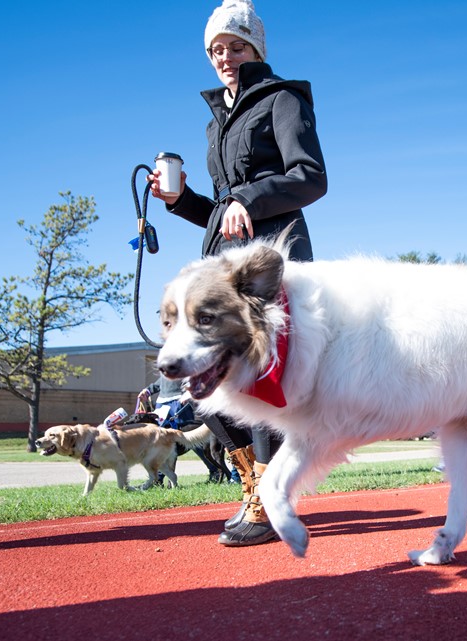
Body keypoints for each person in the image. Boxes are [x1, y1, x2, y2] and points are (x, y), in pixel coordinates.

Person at [147, 0, 327, 545]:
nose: (225, 57)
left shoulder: (283, 98)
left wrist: (249, 193)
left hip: (275, 257)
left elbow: (311, 177)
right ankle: (256, 485)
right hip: (223, 261)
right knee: (211, 377)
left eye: (236, 46)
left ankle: (273, 497)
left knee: (269, 376)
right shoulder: (215, 121)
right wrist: (181, 202)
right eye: (216, 49)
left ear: (256, 49)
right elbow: (225, 213)